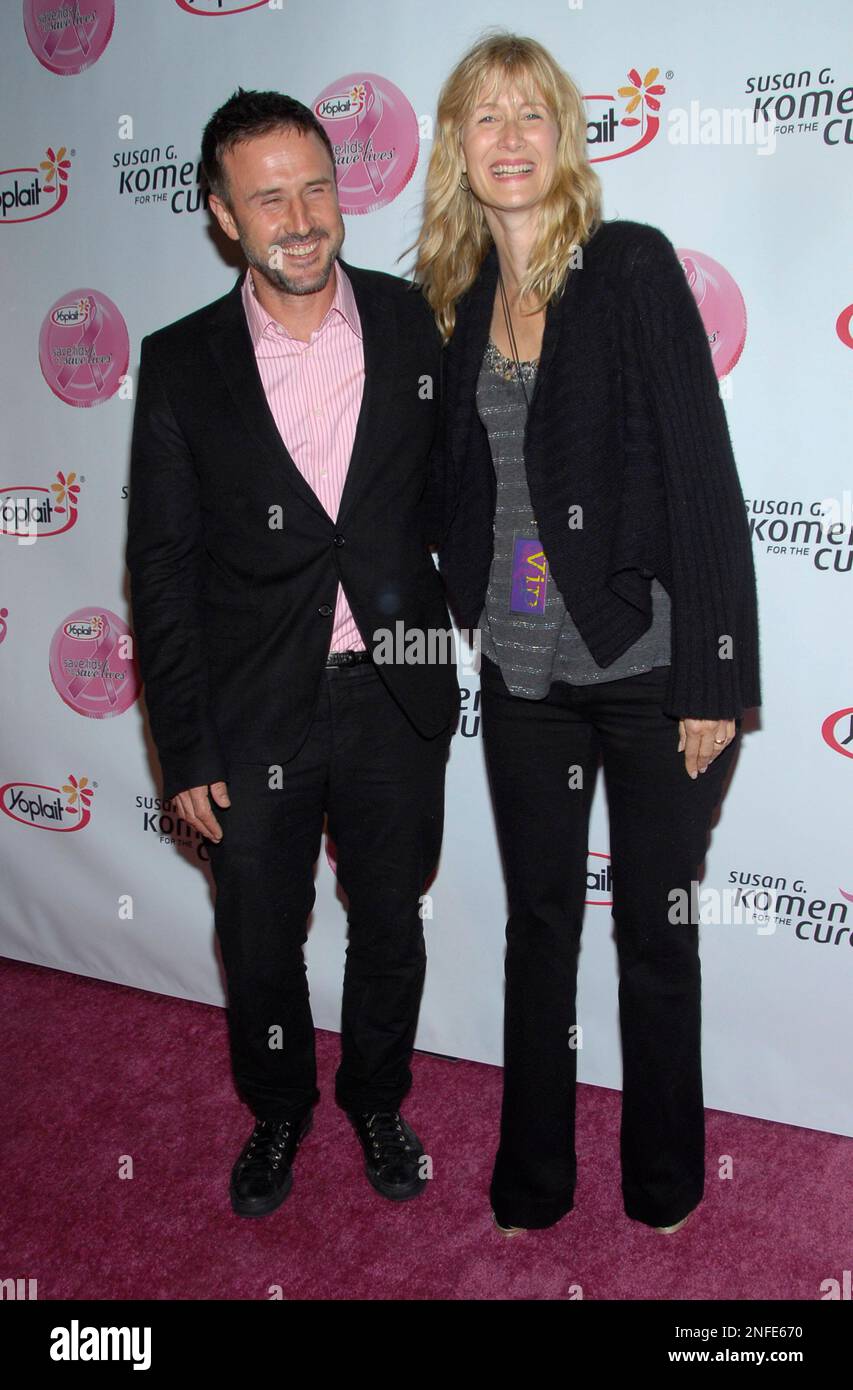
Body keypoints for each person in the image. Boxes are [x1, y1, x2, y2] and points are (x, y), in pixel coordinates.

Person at [416, 33, 761, 1235]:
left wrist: (717, 668)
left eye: (531, 115)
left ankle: (665, 1180)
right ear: (456, 146)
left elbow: (699, 471)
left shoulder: (623, 268)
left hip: (648, 665)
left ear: (564, 136)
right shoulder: (456, 302)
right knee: (538, 934)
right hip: (519, 675)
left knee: (657, 940)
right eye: (483, 118)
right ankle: (533, 1180)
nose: (508, 139)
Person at [126, 88, 459, 1218]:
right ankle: (278, 1108)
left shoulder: (416, 323)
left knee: (388, 916)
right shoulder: (179, 364)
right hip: (250, 707)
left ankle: (375, 1094)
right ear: (224, 216)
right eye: (268, 197)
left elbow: (462, 501)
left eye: (315, 185)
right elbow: (160, 569)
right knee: (258, 935)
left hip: (393, 694)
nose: (300, 215)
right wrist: (183, 746)